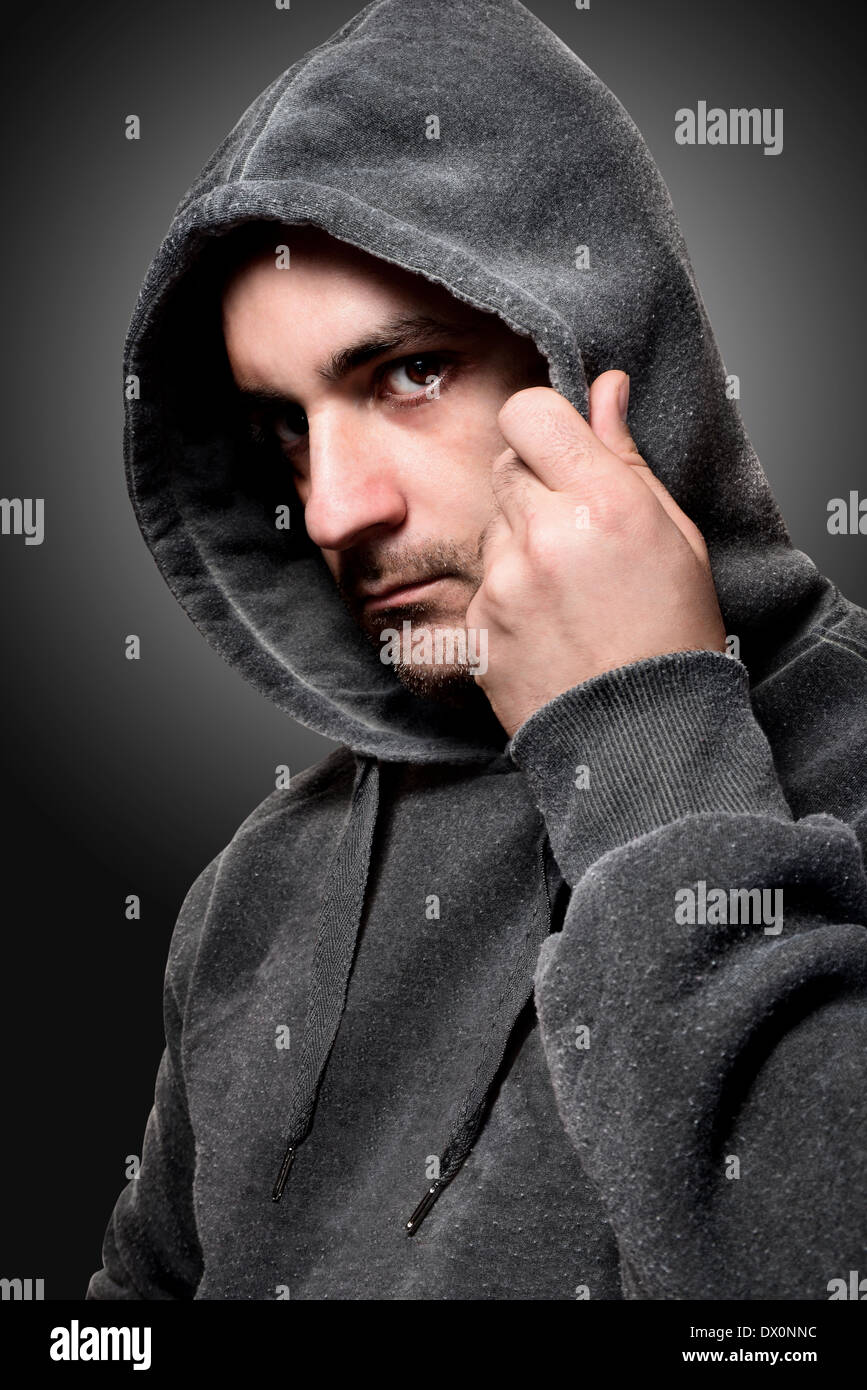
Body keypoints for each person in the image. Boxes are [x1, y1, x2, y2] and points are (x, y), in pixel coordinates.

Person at [87, 0, 867, 1300]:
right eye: (285, 425)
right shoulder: (249, 900)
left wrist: (644, 731)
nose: (334, 510)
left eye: (405, 374)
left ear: (597, 337)